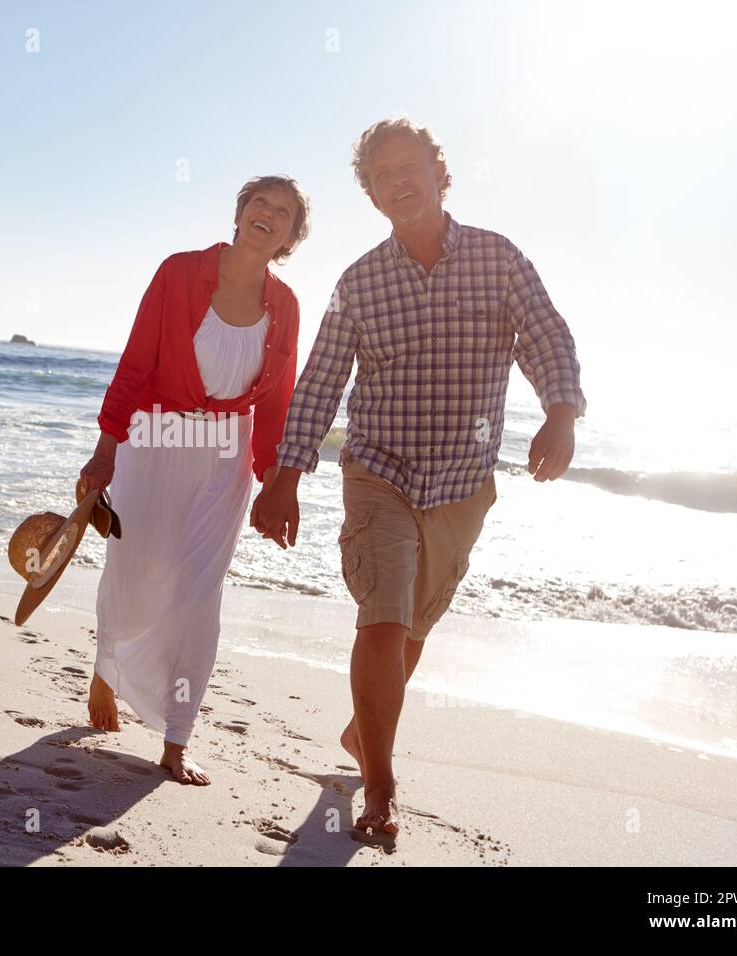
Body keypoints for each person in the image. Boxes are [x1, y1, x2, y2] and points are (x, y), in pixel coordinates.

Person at [251, 117, 586, 833]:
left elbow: (544, 333)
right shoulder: (360, 281)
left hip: (464, 482)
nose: (398, 182)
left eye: (409, 167)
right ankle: (379, 786)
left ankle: (361, 733)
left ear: (441, 173)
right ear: (373, 197)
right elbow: (321, 382)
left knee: (414, 626)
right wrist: (286, 475)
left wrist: (560, 411)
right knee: (383, 618)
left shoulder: (498, 259)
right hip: (379, 470)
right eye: (382, 176)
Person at [80, 175, 309, 784]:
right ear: (240, 212)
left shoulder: (284, 306)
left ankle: (177, 738)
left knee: (199, 591)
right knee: (136, 570)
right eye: (261, 202)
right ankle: (107, 666)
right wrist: (105, 449)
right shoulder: (179, 273)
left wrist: (274, 482)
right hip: (156, 438)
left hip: (224, 453)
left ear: (290, 236)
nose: (269, 214)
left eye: (284, 212)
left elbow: (277, 404)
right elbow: (136, 361)